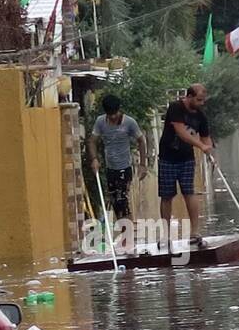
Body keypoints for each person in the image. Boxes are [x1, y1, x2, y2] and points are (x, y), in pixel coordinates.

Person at [157, 83, 214, 249]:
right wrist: (200, 146)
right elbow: (181, 132)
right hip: (168, 157)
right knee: (166, 195)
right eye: (198, 100)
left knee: (189, 192)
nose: (201, 103)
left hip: (186, 158)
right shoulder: (176, 108)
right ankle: (166, 235)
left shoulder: (201, 116)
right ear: (189, 97)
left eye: (203, 100)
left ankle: (195, 233)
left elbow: (206, 137)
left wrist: (209, 151)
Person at [89, 93, 146, 227]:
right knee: (115, 202)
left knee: (122, 200)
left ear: (119, 109)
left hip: (124, 168)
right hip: (110, 169)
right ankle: (126, 232)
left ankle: (128, 236)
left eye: (115, 113)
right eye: (110, 114)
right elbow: (92, 141)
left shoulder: (129, 122)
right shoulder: (100, 122)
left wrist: (142, 165)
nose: (113, 117)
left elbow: (141, 141)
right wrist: (94, 159)